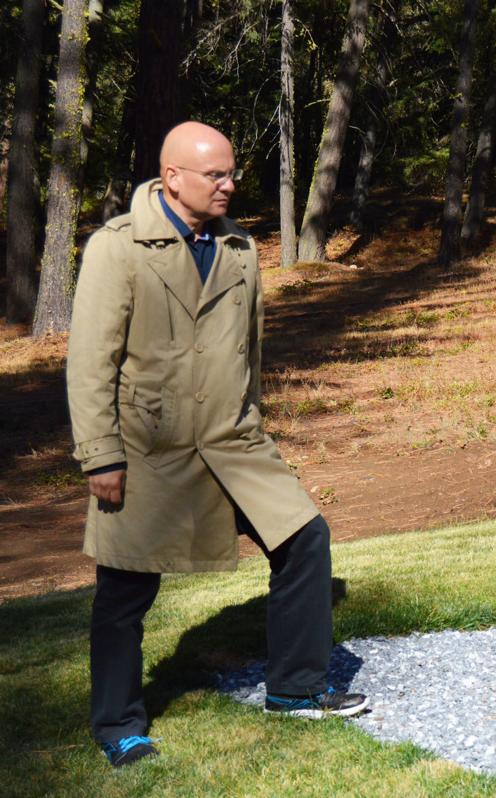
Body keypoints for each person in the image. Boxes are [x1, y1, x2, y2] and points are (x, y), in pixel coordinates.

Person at [67, 121, 368, 769]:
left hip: (235, 442)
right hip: (148, 447)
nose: (230, 184)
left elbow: (248, 353)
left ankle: (296, 688)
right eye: (216, 175)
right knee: (125, 590)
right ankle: (118, 723)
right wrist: (101, 455)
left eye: (232, 172)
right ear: (172, 177)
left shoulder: (237, 247)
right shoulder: (117, 250)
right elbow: (91, 363)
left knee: (305, 538)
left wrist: (253, 424)